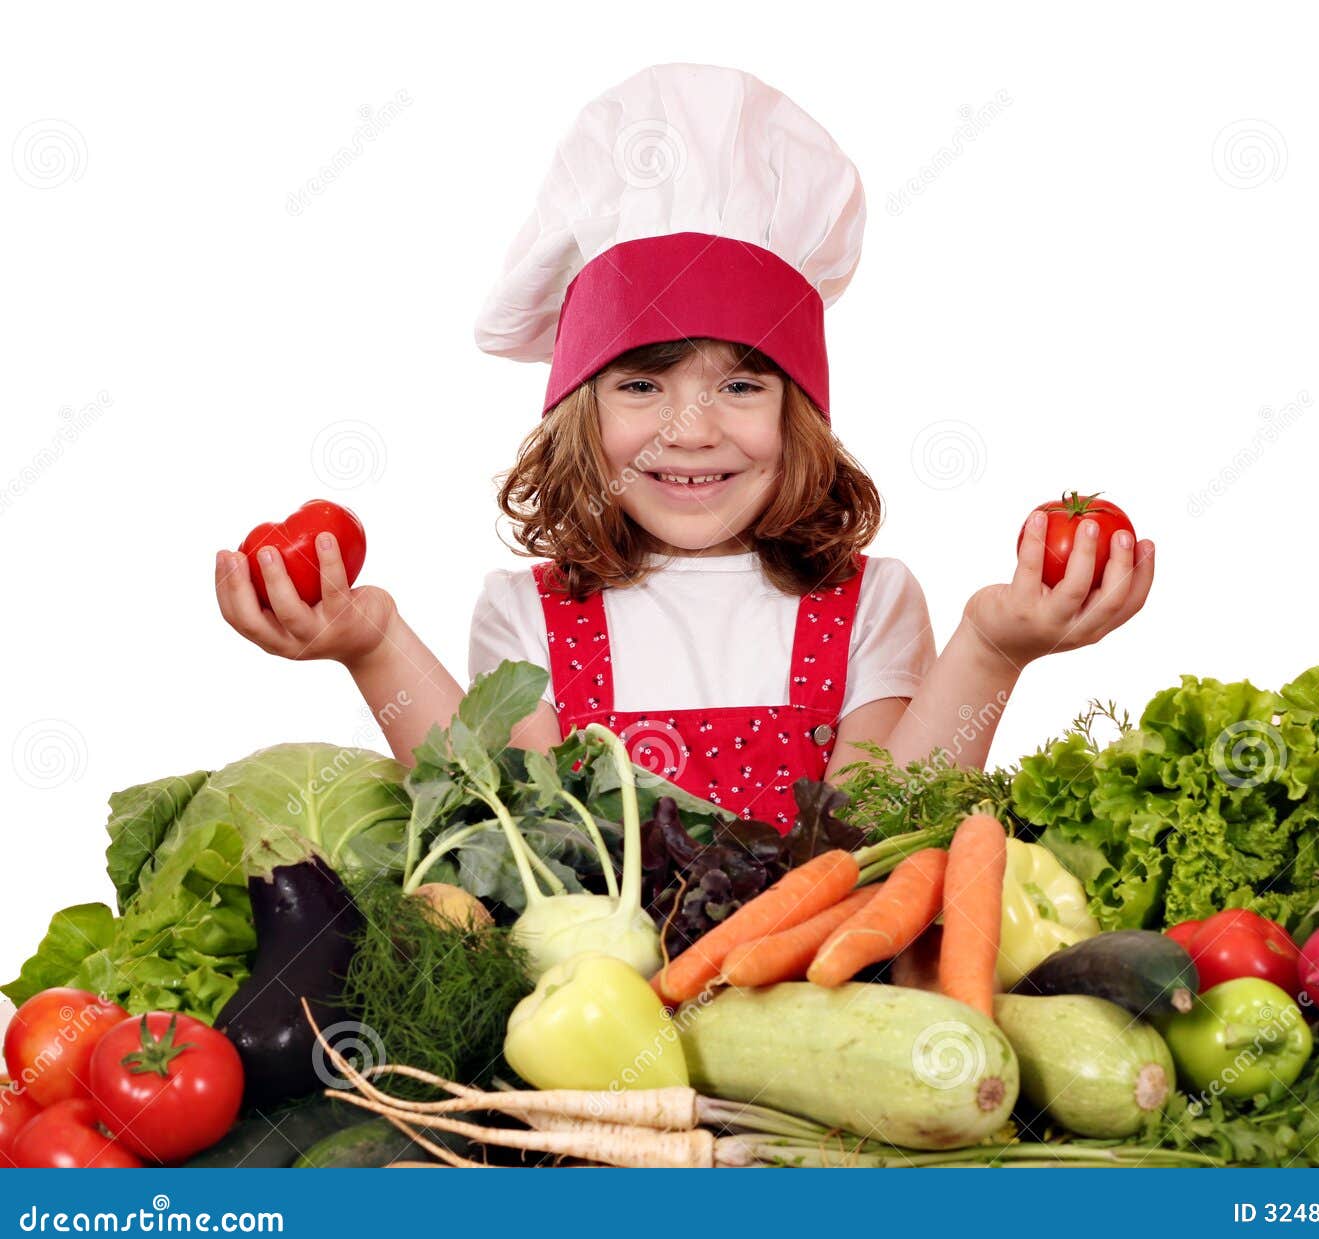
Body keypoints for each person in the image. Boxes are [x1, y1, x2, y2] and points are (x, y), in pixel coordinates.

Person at [215, 63, 1155, 830]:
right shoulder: (529, 614)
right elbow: (511, 828)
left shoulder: (872, 602)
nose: (692, 430)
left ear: (799, 415)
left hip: (814, 996)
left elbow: (874, 834)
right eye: (640, 385)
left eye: (740, 386)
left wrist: (991, 649)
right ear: (580, 416)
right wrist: (372, 644)